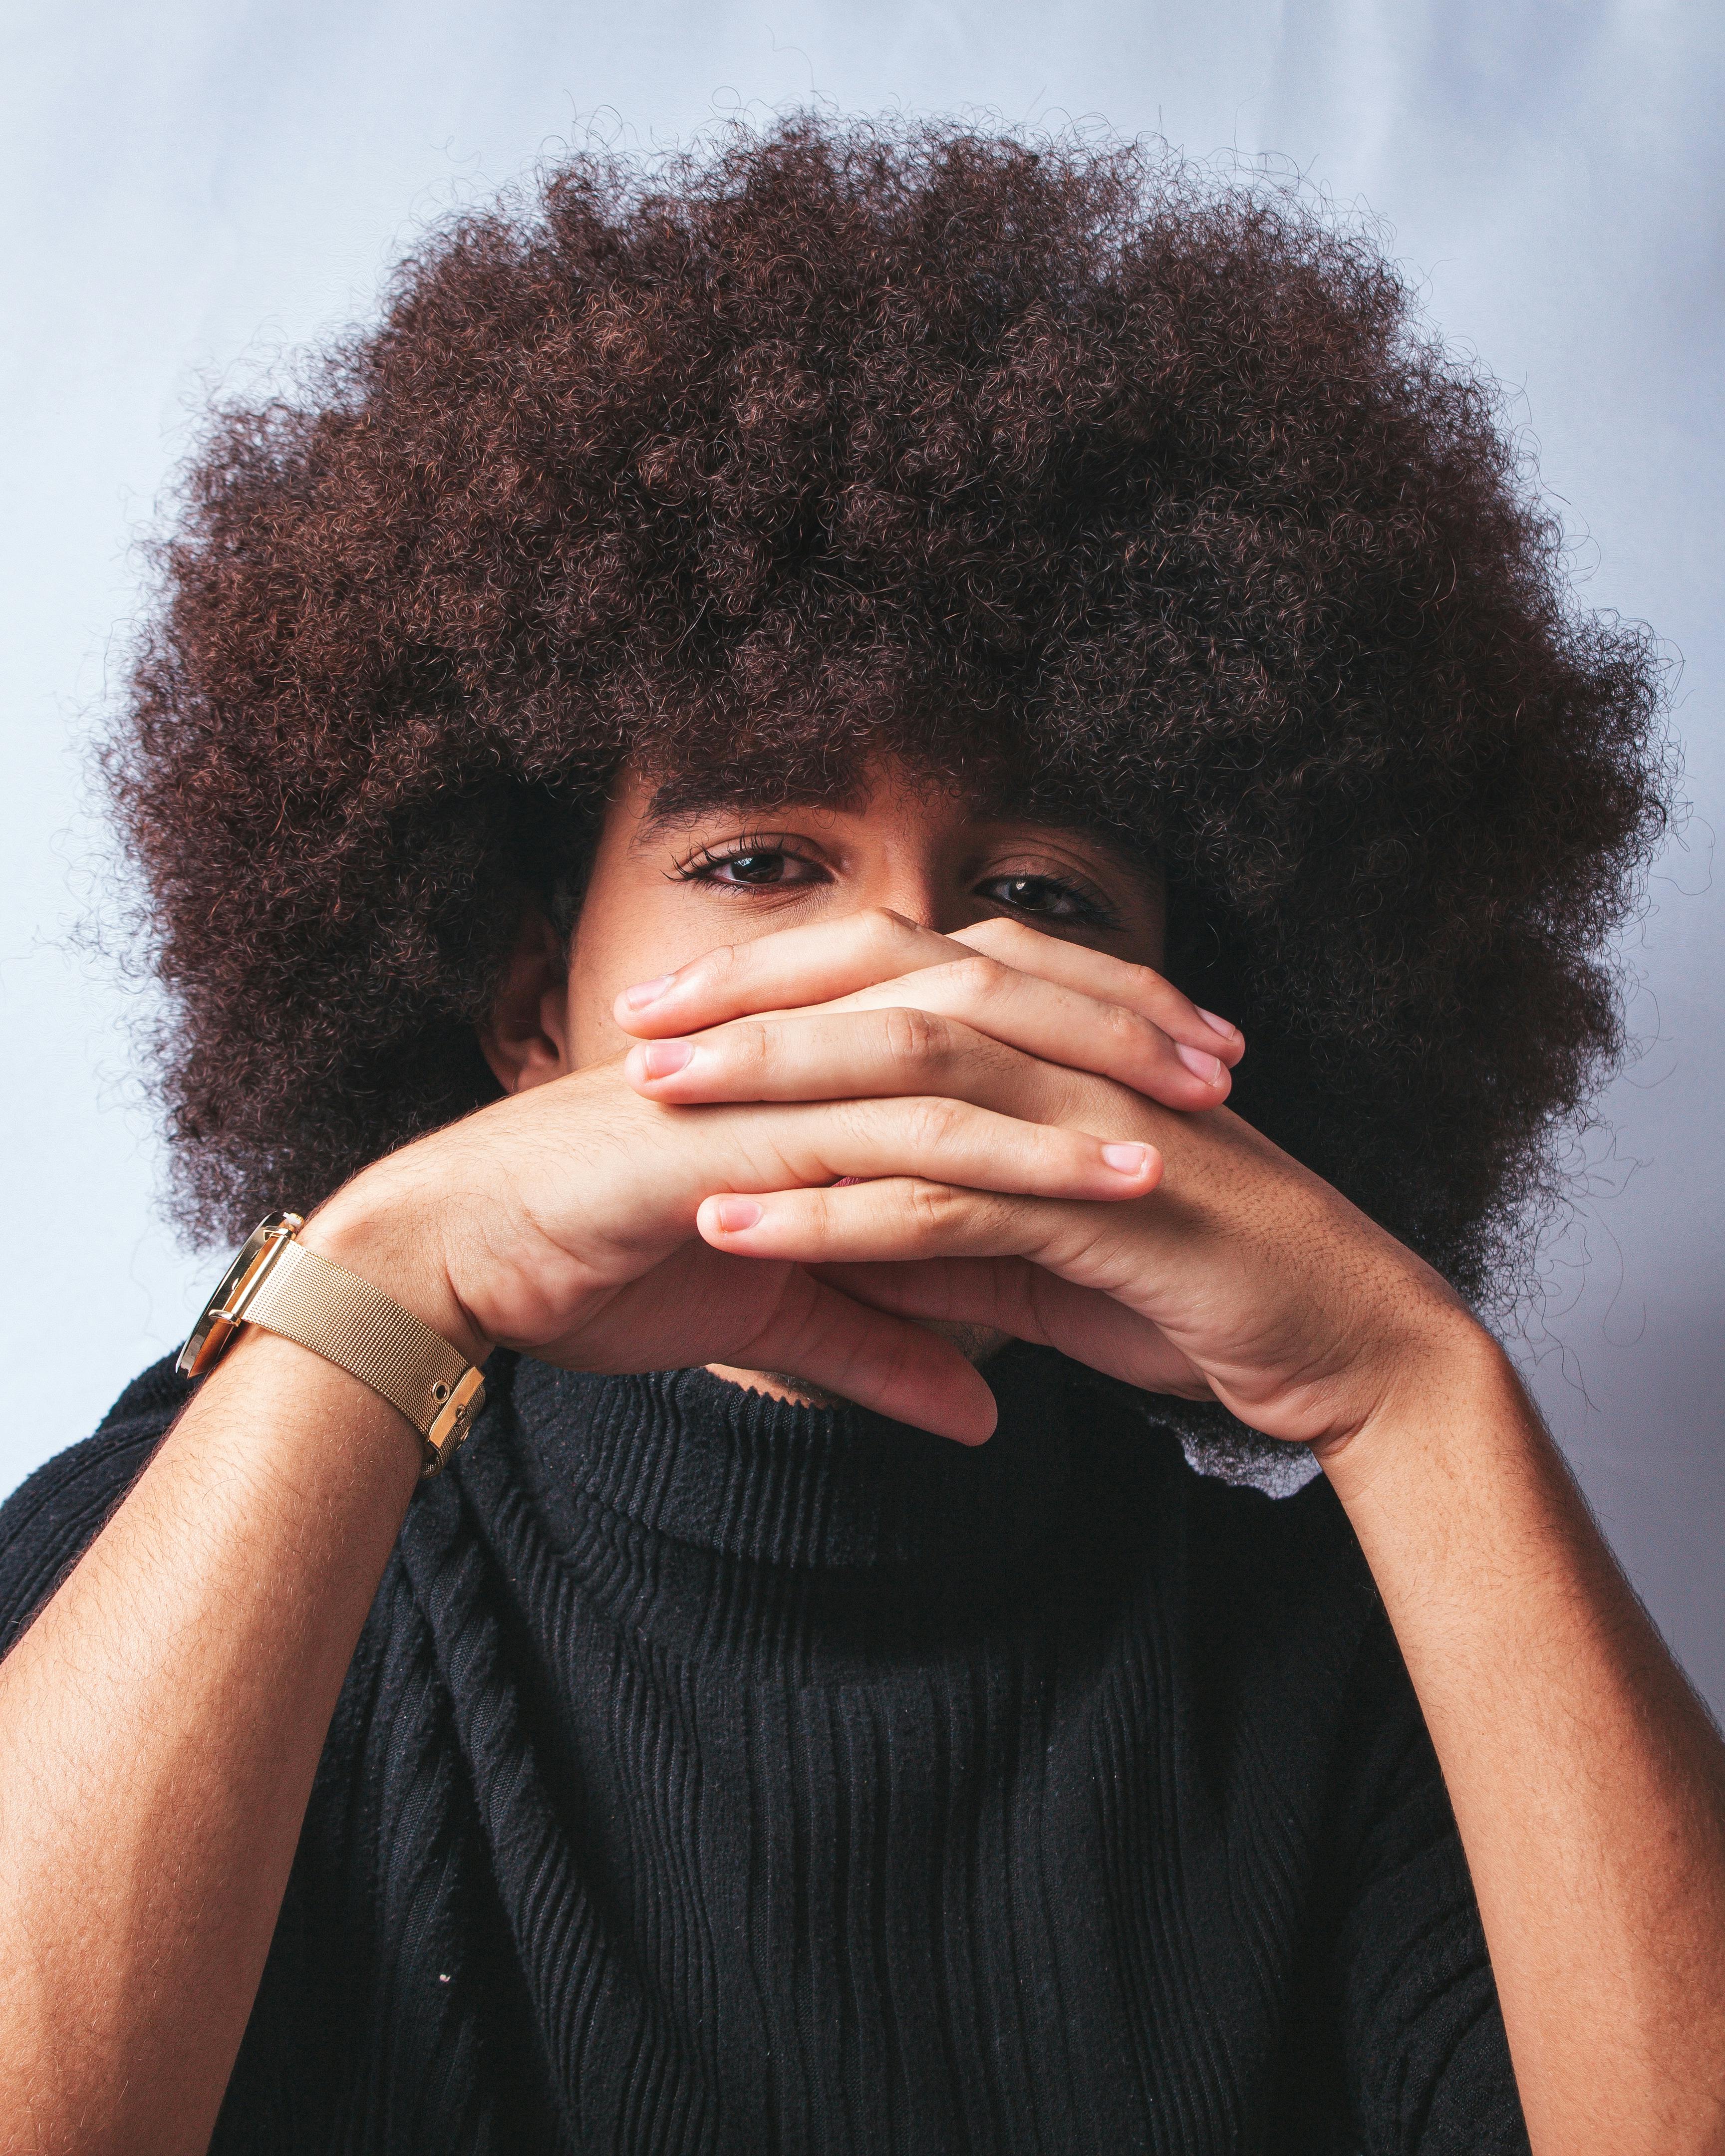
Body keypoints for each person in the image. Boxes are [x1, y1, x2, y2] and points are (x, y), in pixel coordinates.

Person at [0, 119, 1720, 2156]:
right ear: (527, 1002)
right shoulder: (248, 1514)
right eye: (758, 858)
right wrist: (377, 1283)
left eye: (1048, 901)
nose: (911, 970)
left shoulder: (1337, 1671)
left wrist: (1419, 1397)